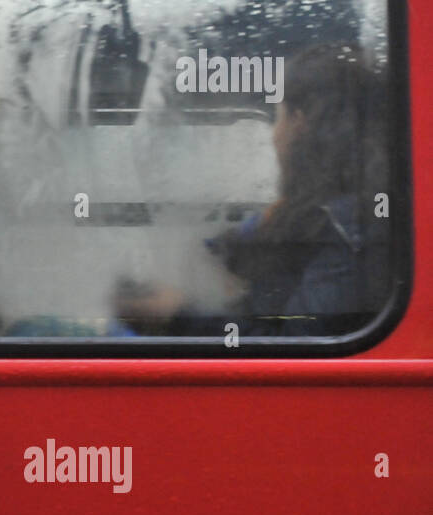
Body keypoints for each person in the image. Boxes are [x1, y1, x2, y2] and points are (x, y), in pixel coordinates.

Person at [115, 42, 389, 337]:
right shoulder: (318, 212)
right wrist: (221, 251)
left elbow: (297, 350)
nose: (273, 136)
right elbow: (253, 238)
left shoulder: (350, 228)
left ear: (299, 123)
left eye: (277, 117)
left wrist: (178, 316)